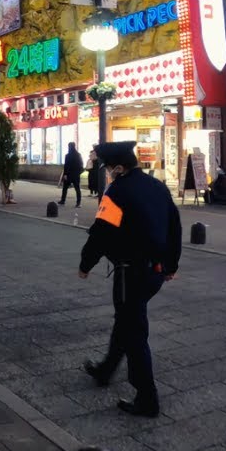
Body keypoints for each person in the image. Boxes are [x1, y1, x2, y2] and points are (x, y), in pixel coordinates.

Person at [78, 141, 181, 418]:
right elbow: (174, 225)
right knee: (127, 319)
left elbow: (101, 232)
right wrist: (172, 264)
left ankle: (147, 398)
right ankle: (105, 370)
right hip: (155, 271)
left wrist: (86, 263)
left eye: (109, 169)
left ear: (119, 168)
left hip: (130, 272)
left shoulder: (117, 192)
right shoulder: (157, 186)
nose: (108, 173)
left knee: (134, 331)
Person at [59, 142, 84, 208]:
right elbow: (81, 165)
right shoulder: (78, 155)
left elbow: (66, 166)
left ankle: (63, 200)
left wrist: (65, 174)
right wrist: (78, 173)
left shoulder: (67, 155)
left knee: (65, 188)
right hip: (76, 175)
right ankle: (78, 203)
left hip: (69, 174)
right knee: (77, 189)